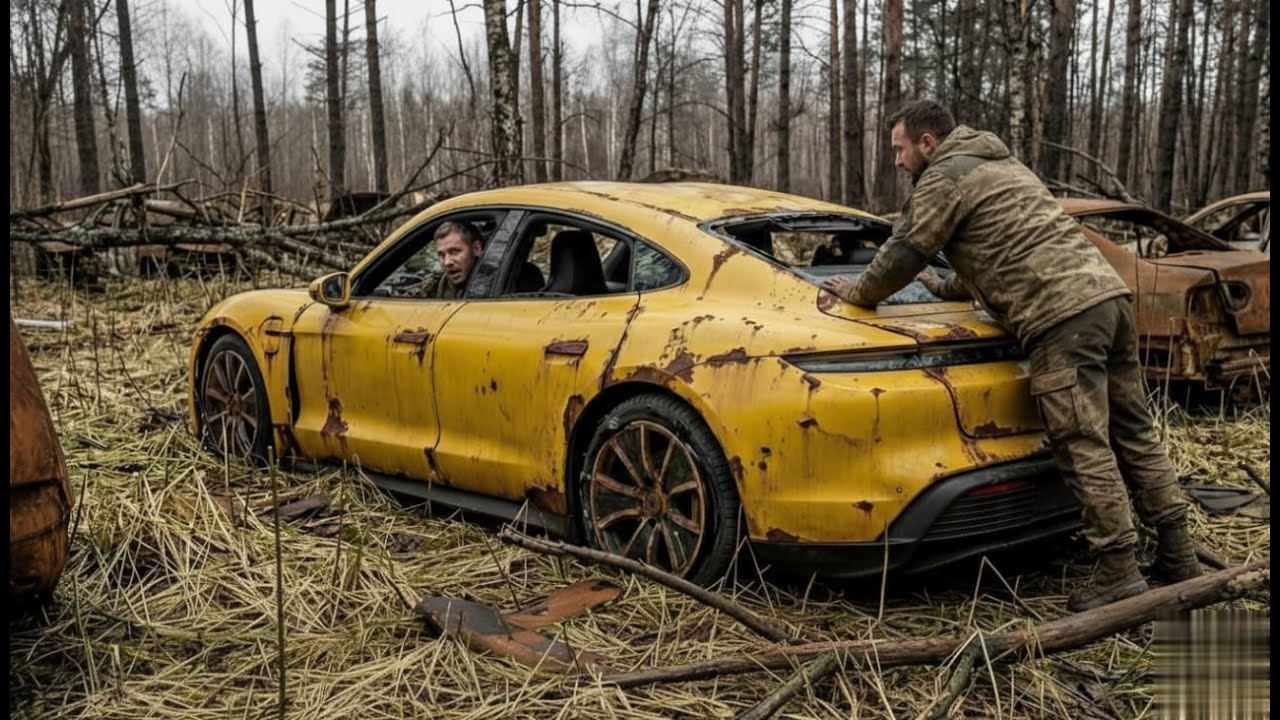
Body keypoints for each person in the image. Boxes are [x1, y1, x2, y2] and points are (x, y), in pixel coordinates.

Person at [820, 99, 1200, 611]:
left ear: (927, 143)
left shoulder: (944, 177)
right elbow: (1006, 247)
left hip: (1061, 319)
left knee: (1081, 443)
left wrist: (860, 293)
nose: (897, 161)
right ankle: (1178, 553)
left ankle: (1118, 570)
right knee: (1133, 431)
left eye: (899, 149)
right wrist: (945, 286)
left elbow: (904, 249)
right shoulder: (999, 164)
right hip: (1107, 301)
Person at [429, 220, 485, 299]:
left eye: (454, 252)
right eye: (442, 255)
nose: (447, 262)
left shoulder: (493, 283)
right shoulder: (441, 283)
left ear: (476, 249)